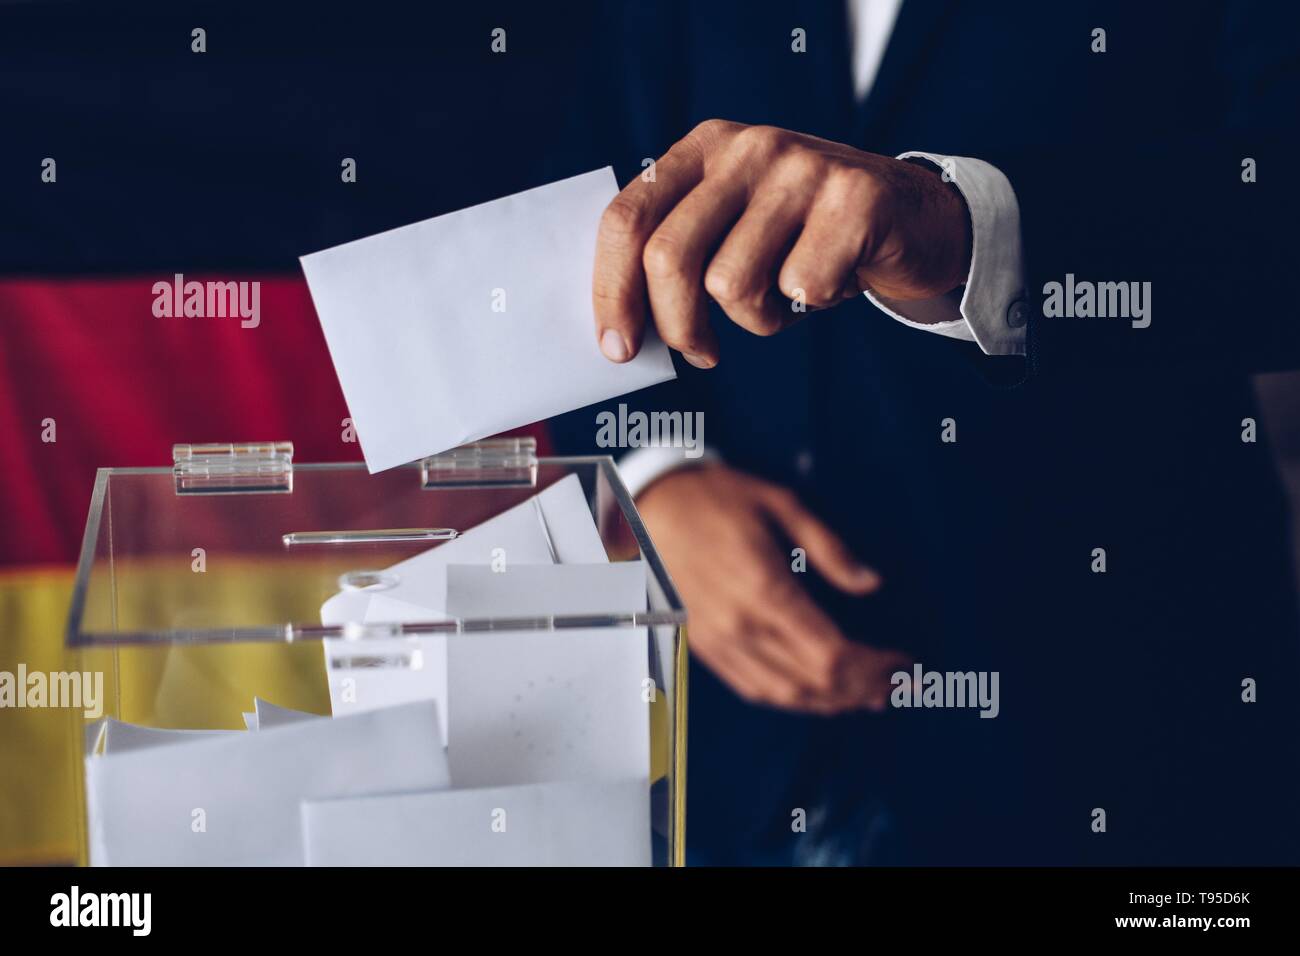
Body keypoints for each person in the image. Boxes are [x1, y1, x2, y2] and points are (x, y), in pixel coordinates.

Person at [550, 0, 1300, 864]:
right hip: (731, 751)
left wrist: (964, 227)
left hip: (1108, 723)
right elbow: (600, 201)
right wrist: (655, 481)